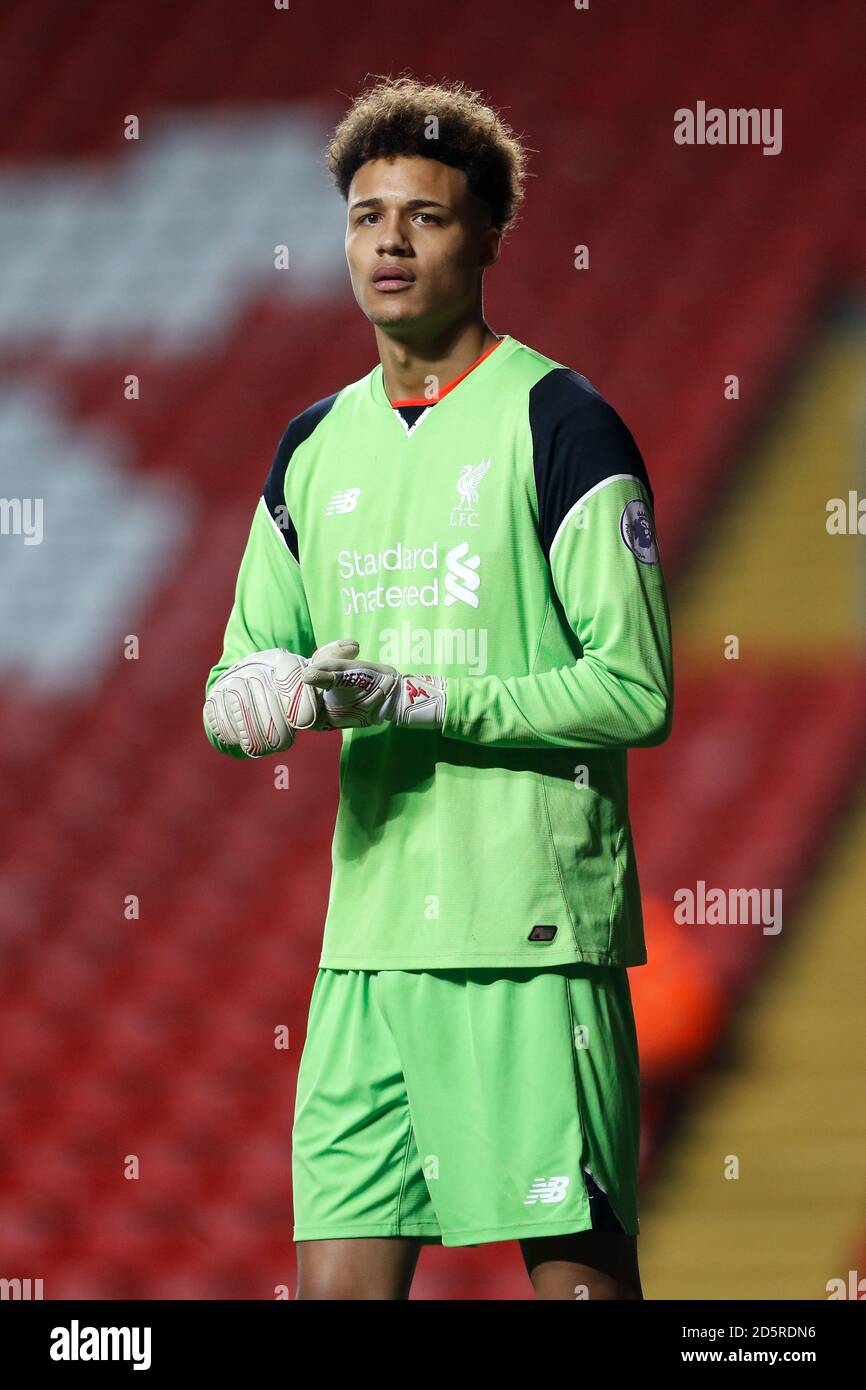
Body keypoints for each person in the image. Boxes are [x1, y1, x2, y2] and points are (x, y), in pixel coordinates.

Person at [203, 74, 673, 1300]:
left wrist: (423, 701)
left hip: (525, 933)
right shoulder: (311, 447)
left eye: (424, 214)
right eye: (366, 216)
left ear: (485, 240)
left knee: (579, 1282)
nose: (389, 242)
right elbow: (238, 672)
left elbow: (633, 691)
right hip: (364, 952)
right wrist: (259, 702)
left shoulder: (562, 423)